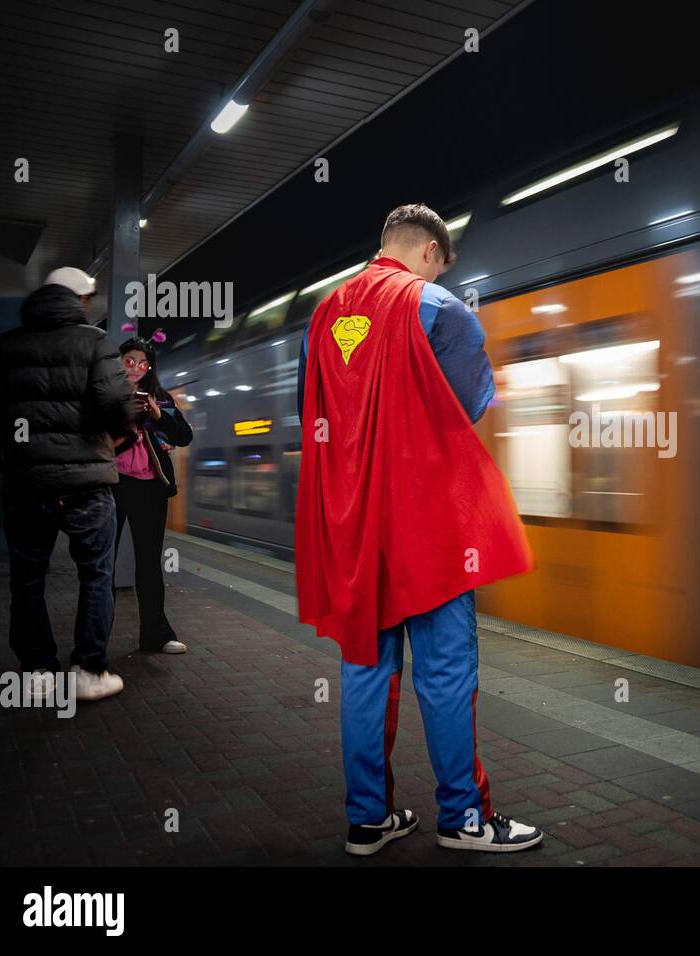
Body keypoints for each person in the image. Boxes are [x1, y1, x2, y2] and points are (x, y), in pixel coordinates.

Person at [296, 203, 541, 856]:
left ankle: (368, 818)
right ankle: (463, 818)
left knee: (366, 669)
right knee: (446, 673)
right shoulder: (441, 309)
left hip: (352, 525)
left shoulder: (321, 317)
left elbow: (309, 413)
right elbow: (465, 410)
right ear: (431, 252)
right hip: (429, 527)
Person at [0, 267, 134, 701]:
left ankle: (37, 672)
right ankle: (88, 670)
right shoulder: (95, 342)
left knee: (27, 579)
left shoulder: (4, 346)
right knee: (96, 575)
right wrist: (115, 438)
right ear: (80, 300)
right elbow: (116, 402)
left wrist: (10, 455)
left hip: (26, 483)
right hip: (87, 484)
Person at [112, 329, 194, 654]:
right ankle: (92, 641)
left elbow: (185, 436)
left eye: (143, 364)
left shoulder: (160, 399)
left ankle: (156, 635)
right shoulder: (104, 395)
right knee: (103, 563)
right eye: (129, 361)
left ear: (150, 369)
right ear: (118, 364)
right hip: (113, 485)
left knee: (149, 563)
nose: (135, 368)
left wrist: (157, 416)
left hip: (151, 488)